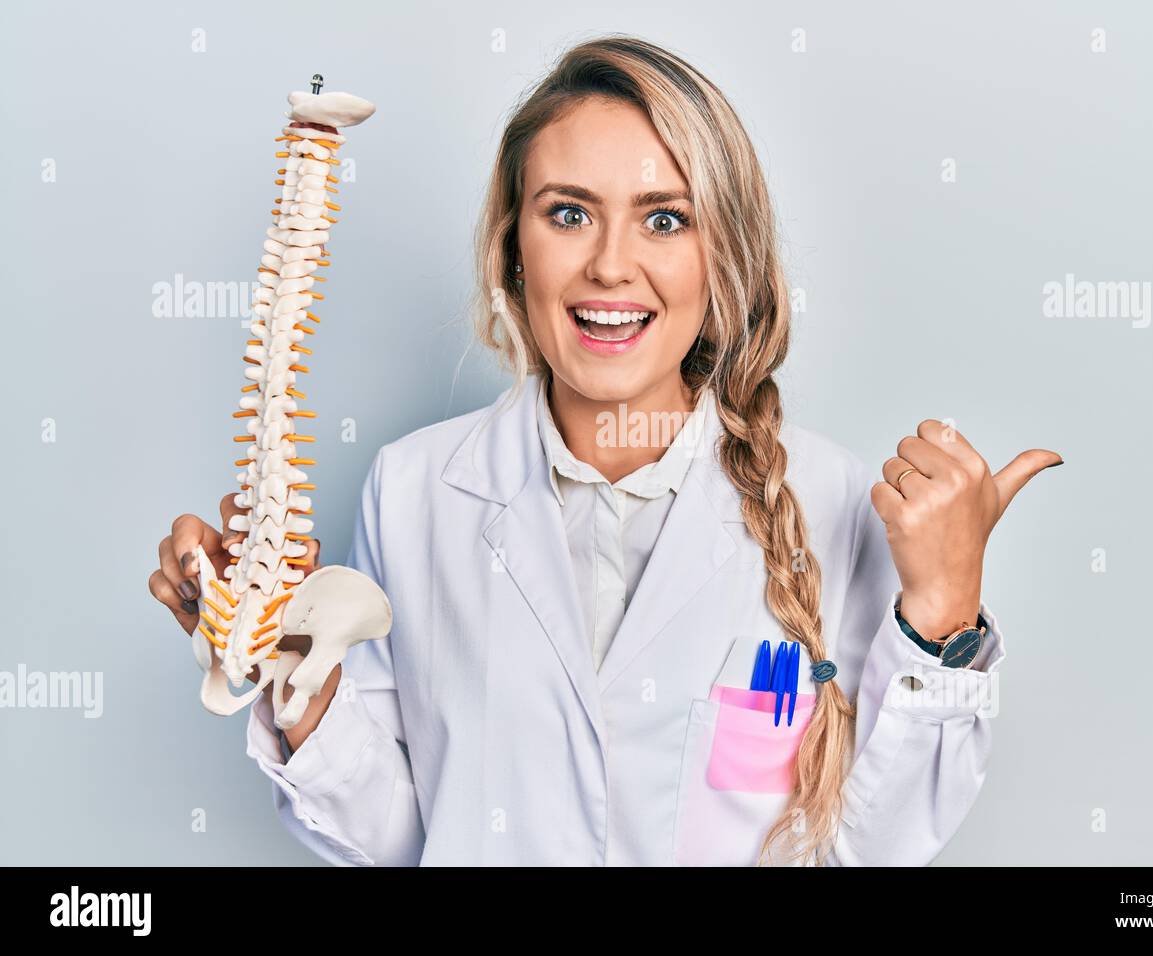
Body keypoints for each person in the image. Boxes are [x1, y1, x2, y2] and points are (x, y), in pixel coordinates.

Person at [149, 34, 1061, 866]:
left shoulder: (829, 500)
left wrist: (942, 613)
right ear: (512, 249)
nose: (611, 267)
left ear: (723, 255)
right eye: (568, 214)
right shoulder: (416, 489)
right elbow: (402, 839)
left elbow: (872, 846)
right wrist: (290, 665)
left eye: (665, 219)